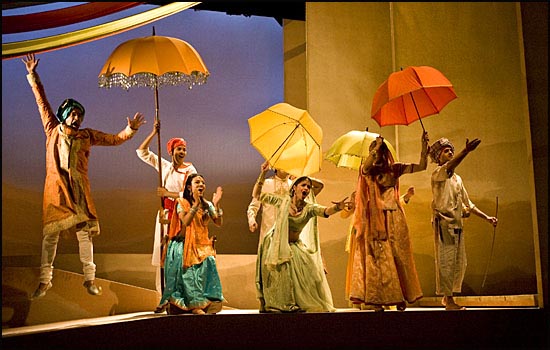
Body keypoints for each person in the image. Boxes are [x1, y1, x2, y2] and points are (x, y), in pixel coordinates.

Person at [23, 53, 146, 299]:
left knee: (84, 234)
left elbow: (113, 139)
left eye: (80, 115)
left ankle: (89, 279)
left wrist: (130, 129)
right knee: (50, 236)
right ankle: (45, 280)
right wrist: (33, 76)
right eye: (73, 114)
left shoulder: (86, 136)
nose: (77, 119)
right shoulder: (52, 130)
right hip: (56, 190)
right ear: (64, 114)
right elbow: (42, 103)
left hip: (79, 191)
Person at [253, 161, 351, 313]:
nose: (306, 188)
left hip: (293, 245)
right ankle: (276, 305)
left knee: (308, 276)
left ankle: (294, 305)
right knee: (279, 276)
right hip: (276, 243)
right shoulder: (282, 201)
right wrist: (263, 173)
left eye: (308, 186)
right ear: (295, 188)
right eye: (303, 185)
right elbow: (257, 195)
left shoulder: (308, 208)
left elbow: (325, 211)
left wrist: (338, 207)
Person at [346, 132, 429, 311]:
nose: (378, 155)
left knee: (398, 255)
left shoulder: (395, 169)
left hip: (394, 217)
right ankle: (377, 300)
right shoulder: (368, 170)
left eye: (381, 152)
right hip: (375, 218)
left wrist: (424, 147)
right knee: (378, 258)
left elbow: (421, 166)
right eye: (375, 152)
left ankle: (399, 296)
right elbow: (366, 167)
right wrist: (375, 148)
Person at [429, 137, 498, 310]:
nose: (450, 153)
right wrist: (465, 151)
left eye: (451, 150)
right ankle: (449, 301)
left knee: (459, 263)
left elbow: (468, 203)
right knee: (446, 261)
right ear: (438, 157)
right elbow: (449, 167)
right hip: (444, 224)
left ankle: (447, 297)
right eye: (445, 151)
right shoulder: (438, 174)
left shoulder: (458, 179)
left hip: (457, 225)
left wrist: (487, 217)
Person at [136, 120, 197, 296]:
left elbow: (191, 194)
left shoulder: (190, 169)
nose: (182, 152)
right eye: (179, 149)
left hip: (181, 214)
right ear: (171, 151)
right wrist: (153, 133)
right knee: (163, 252)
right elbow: (142, 152)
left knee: (178, 253)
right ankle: (162, 294)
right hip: (165, 215)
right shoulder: (165, 166)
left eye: (184, 149)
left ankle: (182, 294)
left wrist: (167, 193)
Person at [155, 173, 225, 314]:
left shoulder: (207, 204)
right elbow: (186, 222)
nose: (201, 185)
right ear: (189, 187)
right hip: (185, 243)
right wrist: (196, 205)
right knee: (190, 271)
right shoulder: (182, 202)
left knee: (209, 261)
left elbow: (218, 222)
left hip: (202, 245)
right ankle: (194, 305)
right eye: (197, 182)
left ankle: (206, 301)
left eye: (203, 183)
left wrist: (216, 204)